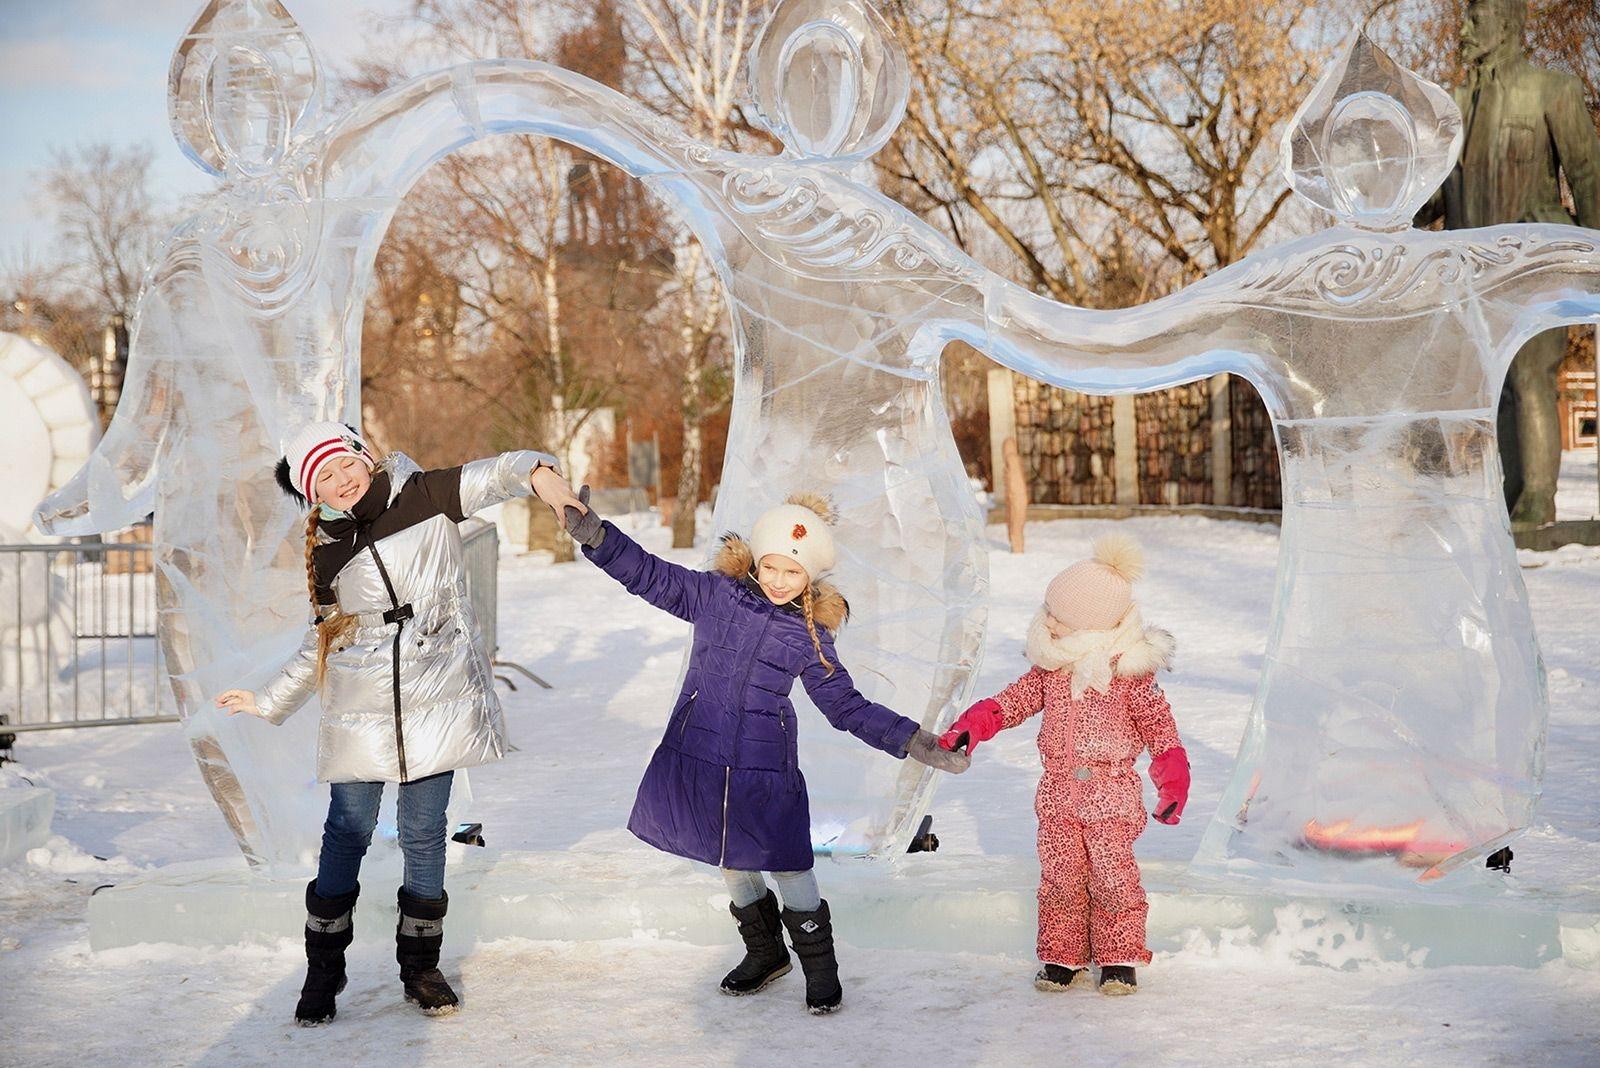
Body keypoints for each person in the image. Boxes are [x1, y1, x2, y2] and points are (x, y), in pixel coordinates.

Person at [215, 421, 581, 1025]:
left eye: (344, 466)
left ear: (364, 456)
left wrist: (547, 481)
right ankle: (323, 969)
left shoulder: (424, 495)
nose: (341, 483)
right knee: (348, 829)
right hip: (359, 707)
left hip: (435, 696)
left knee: (423, 833)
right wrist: (269, 700)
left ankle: (420, 966)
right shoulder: (327, 548)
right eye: (324, 480)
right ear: (314, 494)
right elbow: (324, 641)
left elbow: (506, 468)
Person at [564, 489, 969, 1014]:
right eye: (772, 566)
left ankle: (820, 970)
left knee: (790, 867)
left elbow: (845, 706)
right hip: (702, 753)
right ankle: (766, 953)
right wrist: (596, 535)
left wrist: (915, 740)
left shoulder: (809, 635)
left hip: (764, 767)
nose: (779, 580)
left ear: (811, 579)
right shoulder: (714, 596)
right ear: (756, 560)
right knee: (730, 858)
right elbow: (649, 573)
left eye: (793, 573)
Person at [940, 533, 1188, 995]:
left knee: (1114, 878)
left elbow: (1162, 731)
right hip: (1057, 795)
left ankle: (1118, 959)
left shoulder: (1131, 676)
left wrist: (1172, 784)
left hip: (1111, 795)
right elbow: (1012, 702)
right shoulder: (1052, 669)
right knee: (1059, 876)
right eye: (1049, 610)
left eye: (1058, 615)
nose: (1047, 620)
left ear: (1091, 623)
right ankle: (1063, 957)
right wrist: (974, 724)